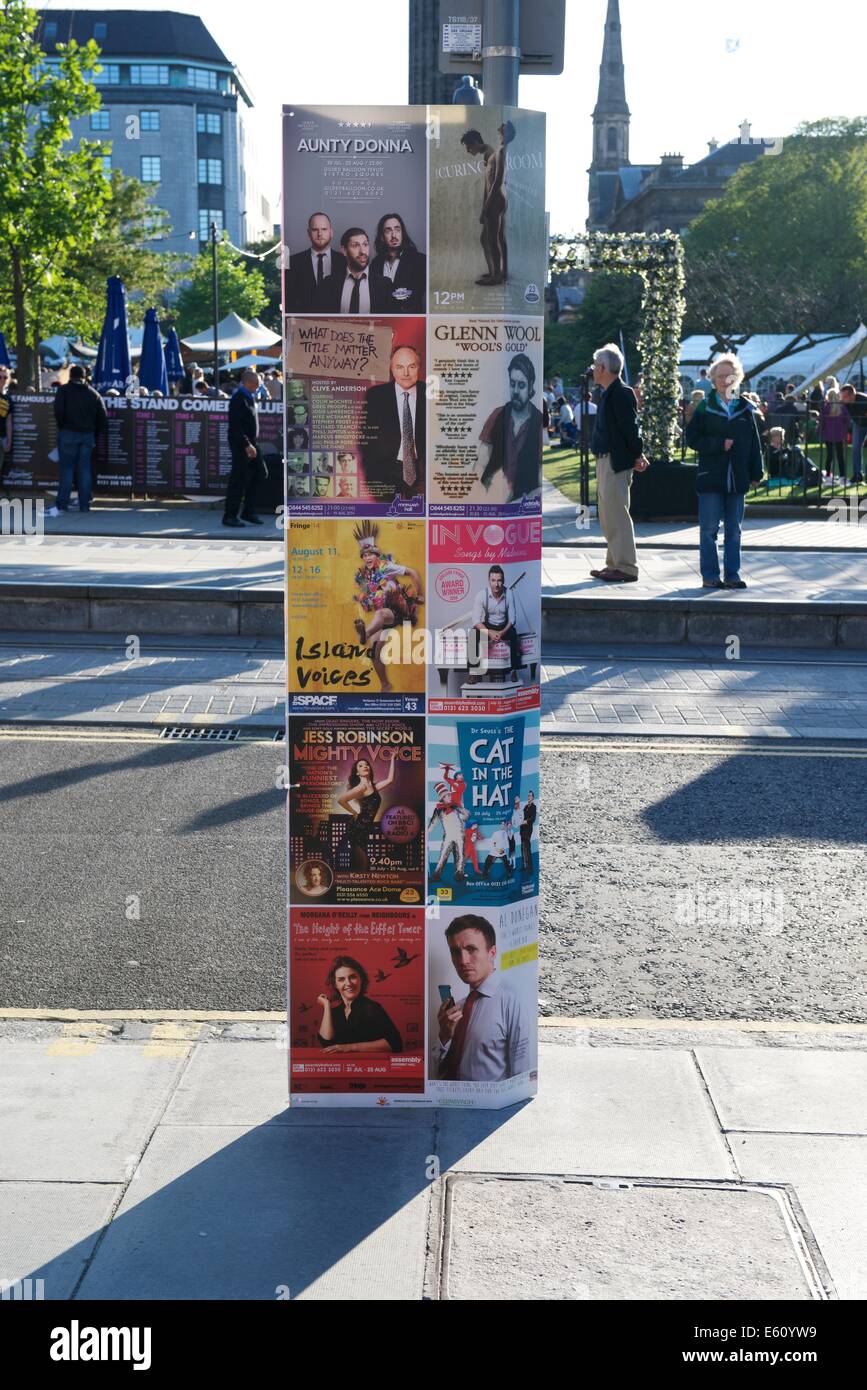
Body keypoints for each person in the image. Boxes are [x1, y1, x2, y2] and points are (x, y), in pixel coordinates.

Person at [684, 353, 764, 589]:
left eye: (730, 376)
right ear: (712, 379)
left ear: (737, 378)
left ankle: (732, 575)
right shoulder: (704, 407)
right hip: (711, 476)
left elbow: (754, 443)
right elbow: (692, 438)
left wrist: (756, 473)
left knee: (734, 530)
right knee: (709, 530)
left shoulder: (745, 408)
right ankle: (710, 575)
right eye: (720, 376)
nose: (725, 380)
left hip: (737, 477)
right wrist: (718, 444)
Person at [436, 915, 531, 1082]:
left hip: (491, 1105)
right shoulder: (459, 1007)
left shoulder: (513, 1000)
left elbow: (522, 1074)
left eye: (471, 949)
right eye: (455, 952)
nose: (463, 960)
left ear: (492, 953)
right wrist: (445, 1036)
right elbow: (439, 1072)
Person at [588, 343, 649, 584]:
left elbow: (630, 428)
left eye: (595, 365)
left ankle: (626, 566)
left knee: (617, 514)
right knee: (608, 514)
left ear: (603, 368)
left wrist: (637, 453)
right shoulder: (610, 392)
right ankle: (614, 563)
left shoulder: (621, 392)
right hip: (607, 459)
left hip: (615, 461)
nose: (592, 370)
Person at [352, 521, 424, 693]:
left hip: (397, 610)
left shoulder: (387, 567)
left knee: (382, 614)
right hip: (381, 617)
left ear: (377, 555)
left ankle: (365, 633)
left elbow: (413, 572)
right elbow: (369, 600)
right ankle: (385, 684)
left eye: (371, 554)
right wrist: (364, 599)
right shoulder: (365, 577)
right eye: (364, 555)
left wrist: (419, 594)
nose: (367, 558)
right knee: (375, 652)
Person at [360, 344, 425, 500]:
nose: (406, 373)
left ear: (419, 368)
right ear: (391, 369)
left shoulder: (431, 393)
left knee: (419, 516)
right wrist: (371, 472)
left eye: (411, 366)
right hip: (385, 472)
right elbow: (365, 437)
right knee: (389, 517)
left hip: (422, 471)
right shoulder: (376, 395)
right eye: (399, 367)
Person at [478, 353, 543, 502]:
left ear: (531, 384)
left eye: (521, 385)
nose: (515, 391)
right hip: (491, 497)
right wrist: (479, 492)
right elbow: (481, 461)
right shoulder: (497, 414)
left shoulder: (538, 420)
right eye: (512, 384)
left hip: (522, 501)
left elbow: (540, 469)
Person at [48, 364, 108, 516]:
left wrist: (63, 427)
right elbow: (103, 417)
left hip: (68, 433)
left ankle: (62, 504)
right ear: (84, 377)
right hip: (87, 435)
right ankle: (84, 505)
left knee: (66, 470)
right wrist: (93, 432)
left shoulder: (63, 391)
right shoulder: (93, 394)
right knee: (84, 469)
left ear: (70, 376)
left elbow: (58, 412)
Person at [459, 122, 513, 286]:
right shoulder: (488, 154)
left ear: (475, 143)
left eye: (468, 147)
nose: (468, 151)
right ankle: (500, 272)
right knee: (496, 238)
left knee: (491, 239)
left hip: (496, 200)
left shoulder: (492, 154)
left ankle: (496, 276)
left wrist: (485, 208)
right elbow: (489, 184)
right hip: (498, 199)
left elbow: (495, 184)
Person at [317, 955, 402, 1054]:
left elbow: (396, 1044)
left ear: (361, 979)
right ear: (335, 984)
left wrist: (351, 1047)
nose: (348, 983)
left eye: (352, 977)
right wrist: (327, 1006)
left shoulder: (372, 1008)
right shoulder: (336, 1011)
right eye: (341, 979)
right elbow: (327, 1044)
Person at [336, 755, 395, 873]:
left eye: (366, 764)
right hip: (358, 829)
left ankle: (358, 886)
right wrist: (353, 812)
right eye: (361, 765)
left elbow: (390, 780)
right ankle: (357, 887)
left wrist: (392, 758)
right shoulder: (361, 787)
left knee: (360, 863)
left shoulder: (373, 787)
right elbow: (341, 800)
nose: (365, 766)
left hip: (365, 829)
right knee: (362, 863)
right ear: (357, 773)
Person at [223, 369, 266, 527]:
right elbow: (236, 425)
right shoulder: (238, 398)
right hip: (242, 445)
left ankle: (248, 511)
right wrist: (246, 444)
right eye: (257, 384)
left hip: (252, 443)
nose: (258, 386)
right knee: (238, 480)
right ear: (248, 383)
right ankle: (229, 516)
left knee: (260, 473)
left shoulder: (249, 397)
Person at [314, 228, 391, 314]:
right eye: (355, 245)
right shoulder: (329, 284)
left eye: (365, 244)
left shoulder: (385, 285)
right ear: (344, 251)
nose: (362, 251)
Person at [286, 212, 346, 313]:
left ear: (331, 232)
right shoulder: (293, 262)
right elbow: (289, 301)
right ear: (308, 233)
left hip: (338, 324)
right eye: (315, 230)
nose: (320, 234)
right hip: (305, 325)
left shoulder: (345, 261)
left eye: (324, 229)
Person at [369, 212, 427, 315]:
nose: (394, 235)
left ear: (402, 233)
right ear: (382, 237)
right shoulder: (375, 263)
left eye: (397, 229)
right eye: (388, 231)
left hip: (408, 323)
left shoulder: (420, 261)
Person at [471, 564, 519, 680]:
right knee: (473, 634)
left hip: (504, 626)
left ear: (503, 581)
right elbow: (476, 620)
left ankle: (513, 670)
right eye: (493, 580)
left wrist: (502, 632)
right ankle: (473, 672)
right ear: (489, 581)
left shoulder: (509, 594)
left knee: (513, 633)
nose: (496, 584)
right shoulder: (482, 595)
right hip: (489, 626)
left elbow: (512, 619)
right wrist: (489, 633)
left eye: (499, 581)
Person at [428, 798, 468, 884]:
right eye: (447, 795)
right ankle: (436, 875)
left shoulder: (455, 806)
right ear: (442, 797)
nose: (450, 797)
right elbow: (433, 823)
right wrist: (426, 833)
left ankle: (459, 875)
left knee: (460, 855)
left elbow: (466, 814)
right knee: (443, 855)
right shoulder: (438, 810)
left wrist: (463, 816)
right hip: (448, 835)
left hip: (459, 834)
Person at [819, 389, 849, 481]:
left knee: (829, 455)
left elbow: (822, 421)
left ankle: (828, 475)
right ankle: (842, 476)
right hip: (840, 434)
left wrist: (819, 431)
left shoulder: (826, 408)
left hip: (828, 434)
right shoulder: (842, 408)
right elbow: (847, 421)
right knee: (840, 456)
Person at [840, 383, 867, 485]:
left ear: (852, 395)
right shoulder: (845, 403)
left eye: (845, 396)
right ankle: (857, 475)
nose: (843, 399)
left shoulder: (864, 401)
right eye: (842, 396)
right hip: (858, 425)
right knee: (855, 448)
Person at [0, 364, 13, 486]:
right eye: (0, 377)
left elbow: (9, 421)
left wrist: (9, 440)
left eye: (5, 377)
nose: (2, 380)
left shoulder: (8, 399)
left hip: (2, 436)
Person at [520, 789, 537, 873]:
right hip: (522, 830)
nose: (529, 797)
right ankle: (524, 865)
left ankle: (530, 868)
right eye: (528, 796)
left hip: (528, 830)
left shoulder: (534, 807)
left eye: (530, 796)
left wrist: (526, 821)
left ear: (533, 798)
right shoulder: (525, 807)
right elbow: (521, 816)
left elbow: (533, 818)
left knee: (527, 848)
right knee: (522, 848)